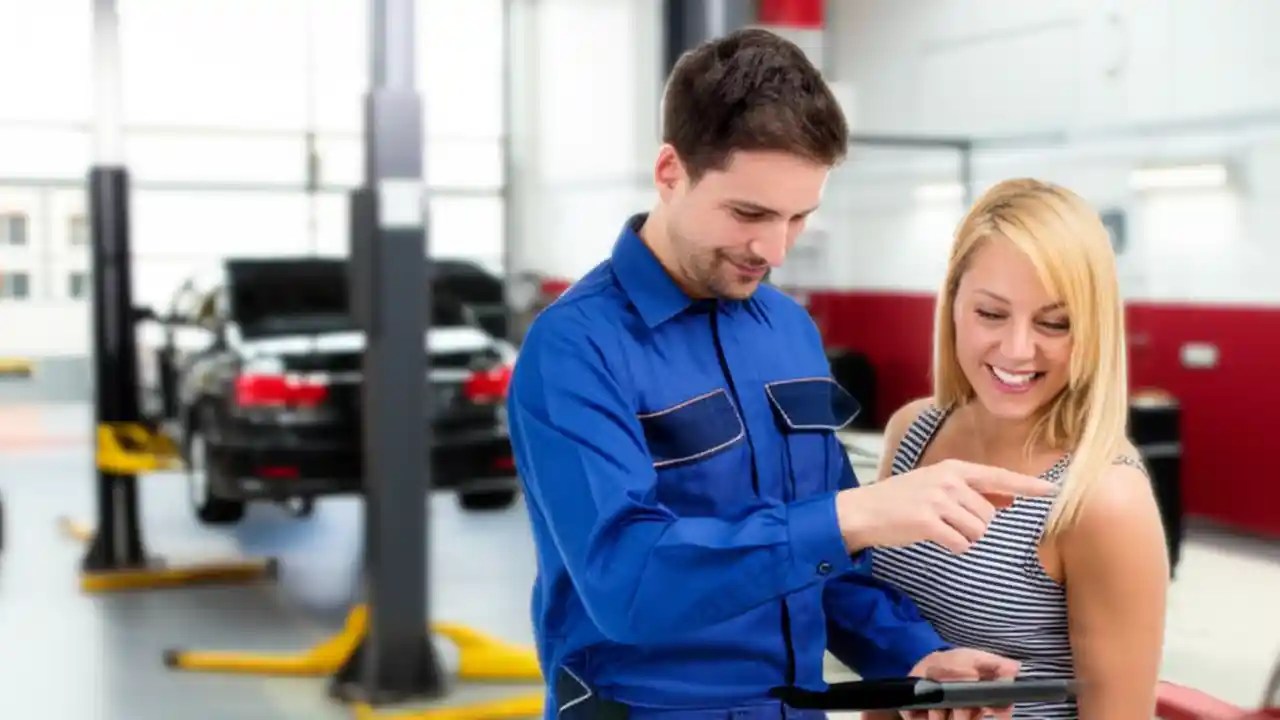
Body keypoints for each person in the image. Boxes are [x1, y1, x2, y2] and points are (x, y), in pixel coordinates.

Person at [505, 28, 1060, 720]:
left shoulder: (788, 331)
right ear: (670, 172)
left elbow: (827, 558)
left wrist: (912, 655)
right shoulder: (576, 348)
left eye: (800, 217)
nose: (773, 249)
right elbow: (627, 583)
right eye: (749, 213)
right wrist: (853, 514)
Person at [867, 178, 1171, 719]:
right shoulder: (913, 431)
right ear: (953, 304)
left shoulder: (1103, 497)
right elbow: (886, 678)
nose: (1017, 349)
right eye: (991, 314)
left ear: (1092, 330)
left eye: (1054, 323)